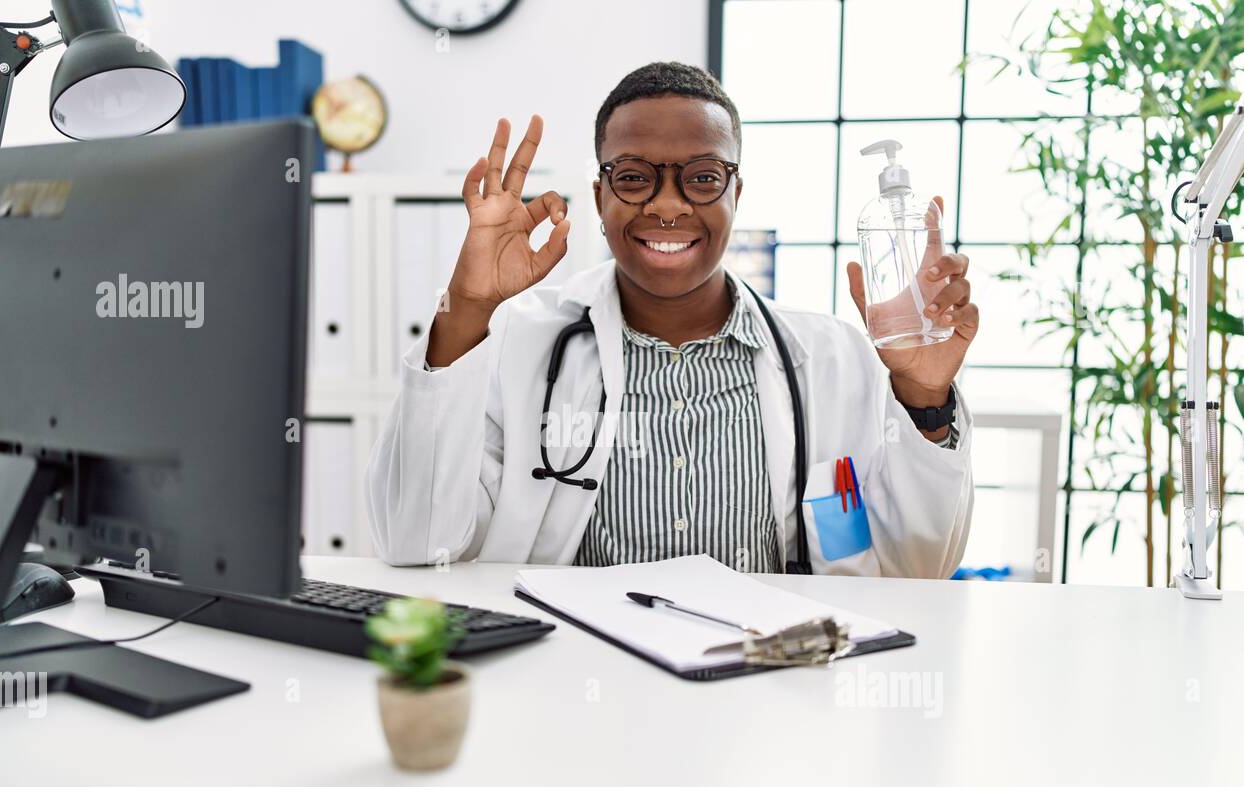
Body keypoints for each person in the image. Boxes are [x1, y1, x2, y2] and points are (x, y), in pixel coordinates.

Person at [366, 62, 977, 577]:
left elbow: (921, 569)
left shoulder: (834, 357)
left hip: (767, 684)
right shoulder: (519, 342)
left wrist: (924, 396)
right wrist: (467, 307)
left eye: (703, 178)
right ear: (600, 194)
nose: (666, 204)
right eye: (632, 177)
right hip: (576, 687)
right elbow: (418, 543)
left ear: (738, 193)